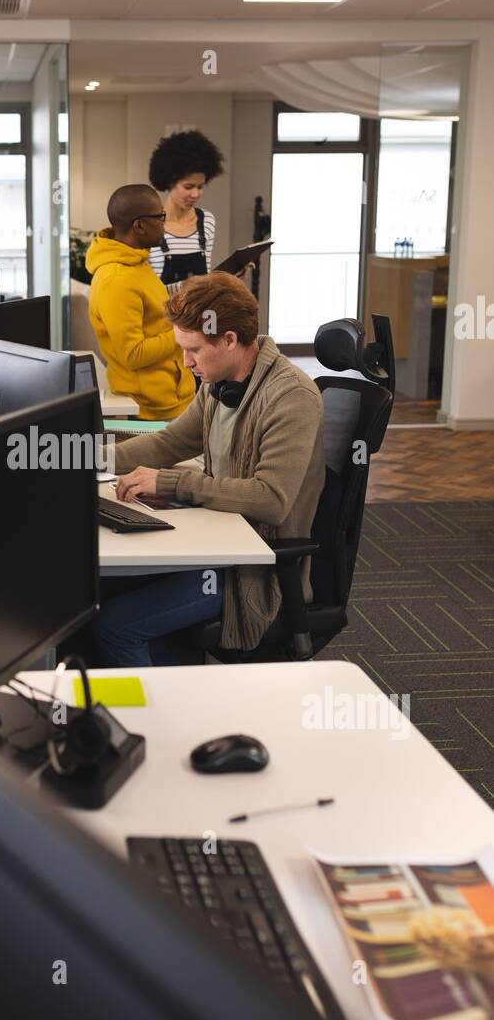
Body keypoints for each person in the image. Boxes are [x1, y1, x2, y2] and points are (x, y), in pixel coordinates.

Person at [91, 272, 325, 667]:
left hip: (249, 573)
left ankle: (158, 725)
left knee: (115, 625)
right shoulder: (219, 384)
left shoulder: (291, 397)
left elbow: (271, 500)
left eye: (194, 350)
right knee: (93, 591)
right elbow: (169, 443)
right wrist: (77, 457)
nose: (186, 362)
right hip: (215, 549)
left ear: (229, 339)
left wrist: (174, 482)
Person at [86, 184, 195, 421]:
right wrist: (185, 330)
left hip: (171, 394)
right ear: (140, 225)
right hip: (150, 409)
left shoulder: (135, 262)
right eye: (160, 217)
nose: (165, 224)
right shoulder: (116, 280)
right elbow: (133, 354)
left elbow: (153, 314)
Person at [147, 129, 225, 288]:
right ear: (170, 181)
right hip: (160, 312)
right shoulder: (149, 224)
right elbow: (147, 288)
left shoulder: (207, 221)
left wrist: (230, 277)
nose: (195, 194)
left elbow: (206, 278)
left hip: (200, 312)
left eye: (200, 187)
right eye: (188, 187)